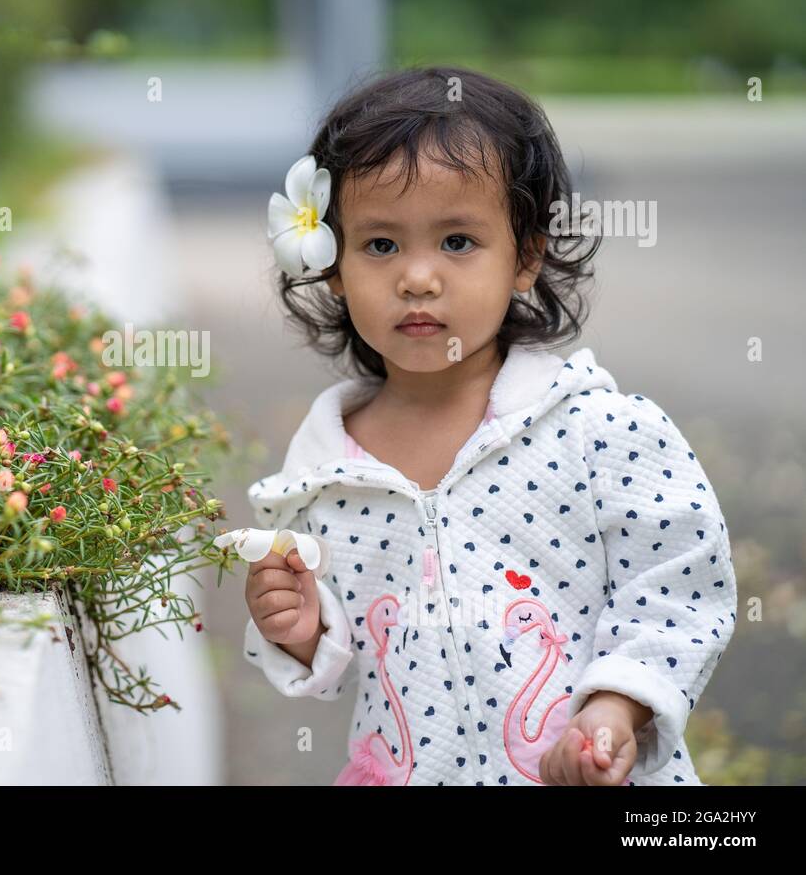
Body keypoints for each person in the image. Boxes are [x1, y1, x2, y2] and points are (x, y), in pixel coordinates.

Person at [226, 66, 737, 786]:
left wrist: (617, 708)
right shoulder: (320, 475)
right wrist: (302, 631)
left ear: (526, 255)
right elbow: (337, 664)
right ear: (332, 264)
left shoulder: (598, 430)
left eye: (458, 241)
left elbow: (680, 583)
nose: (419, 278)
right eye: (380, 246)